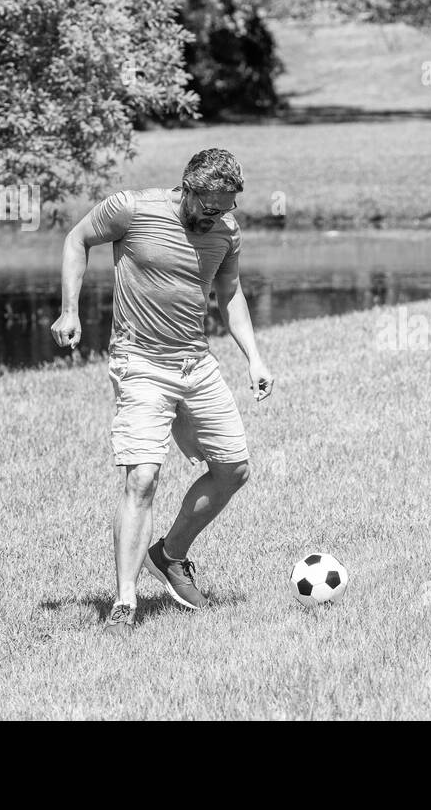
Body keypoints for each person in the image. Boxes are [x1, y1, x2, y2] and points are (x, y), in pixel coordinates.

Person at [51, 148, 274, 634]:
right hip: (141, 362)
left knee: (234, 469)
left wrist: (253, 357)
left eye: (228, 206)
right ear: (188, 188)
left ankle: (169, 555)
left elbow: (230, 292)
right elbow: (77, 239)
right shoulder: (132, 208)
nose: (220, 215)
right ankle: (124, 603)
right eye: (212, 206)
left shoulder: (225, 232)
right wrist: (69, 310)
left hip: (196, 363)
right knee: (142, 479)